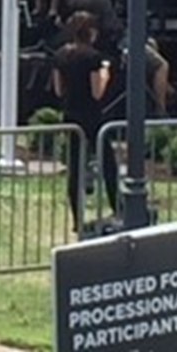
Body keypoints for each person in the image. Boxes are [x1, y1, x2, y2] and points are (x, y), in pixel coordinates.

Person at [52, 11, 120, 228]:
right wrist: (105, 73)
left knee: (75, 168)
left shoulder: (61, 55)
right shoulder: (93, 57)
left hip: (70, 115)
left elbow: (58, 89)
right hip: (91, 115)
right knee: (107, 163)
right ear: (91, 32)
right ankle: (117, 208)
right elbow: (97, 92)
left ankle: (76, 218)